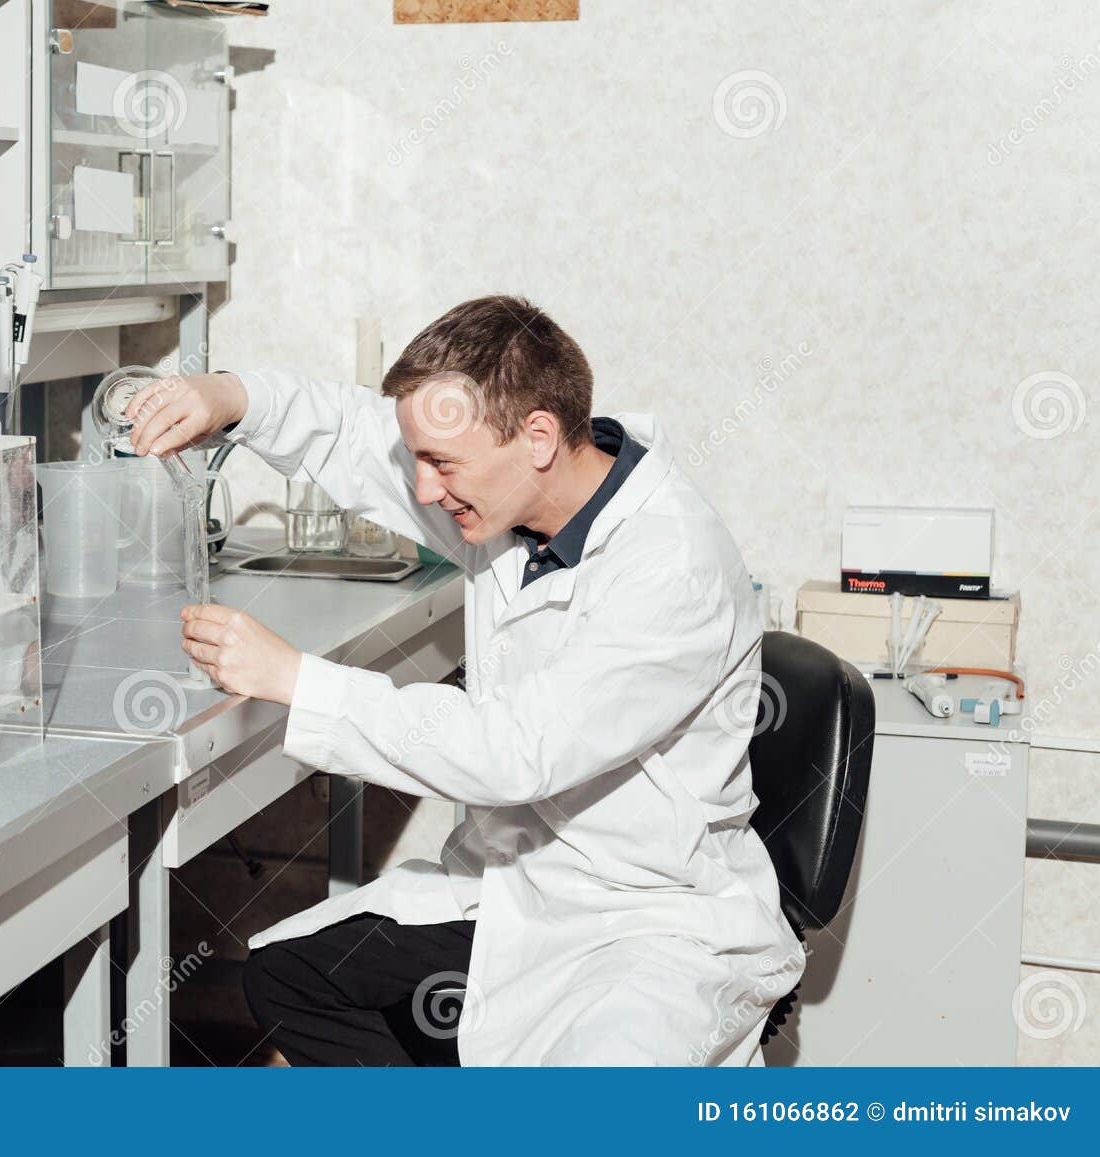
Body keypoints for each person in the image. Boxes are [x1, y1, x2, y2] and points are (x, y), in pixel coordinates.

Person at [122, 295, 803, 1066]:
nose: (421, 489)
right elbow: (349, 432)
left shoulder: (670, 566)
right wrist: (231, 397)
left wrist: (297, 679)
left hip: (647, 917)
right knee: (290, 975)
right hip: (521, 886)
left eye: (442, 464)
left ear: (538, 436)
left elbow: (515, 751)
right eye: (420, 457)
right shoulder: (516, 494)